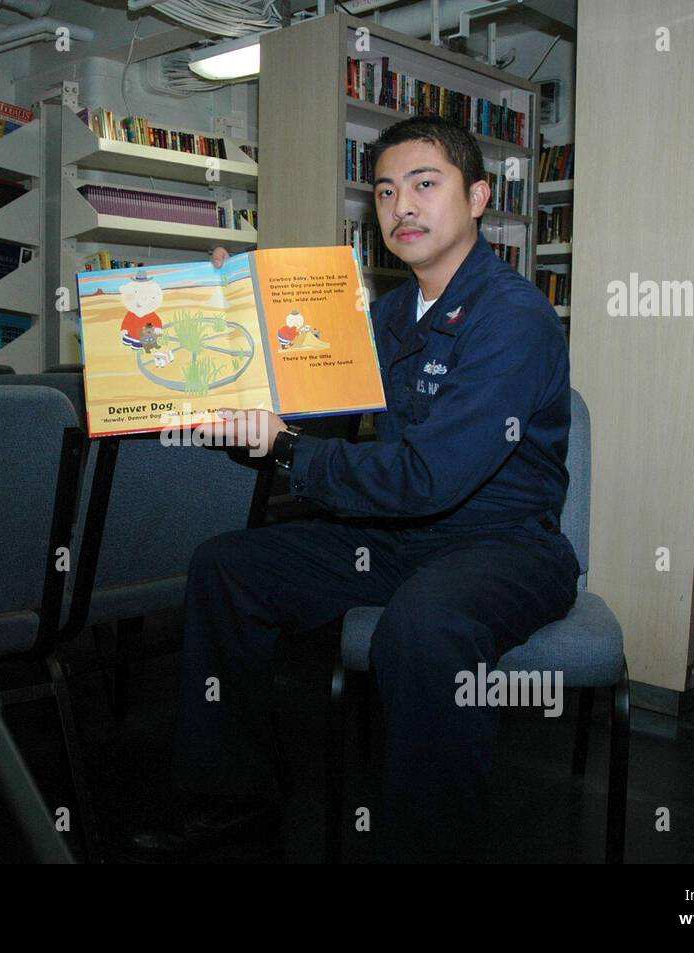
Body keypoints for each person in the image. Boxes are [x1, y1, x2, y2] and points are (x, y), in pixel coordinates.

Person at [129, 115, 579, 862]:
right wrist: (218, 311)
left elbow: (427, 476)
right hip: (403, 536)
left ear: (477, 197)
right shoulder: (388, 313)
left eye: (425, 185)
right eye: (385, 191)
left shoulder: (515, 318)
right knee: (226, 568)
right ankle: (236, 799)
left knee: (425, 627)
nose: (402, 206)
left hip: (506, 545)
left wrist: (289, 449)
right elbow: (301, 397)